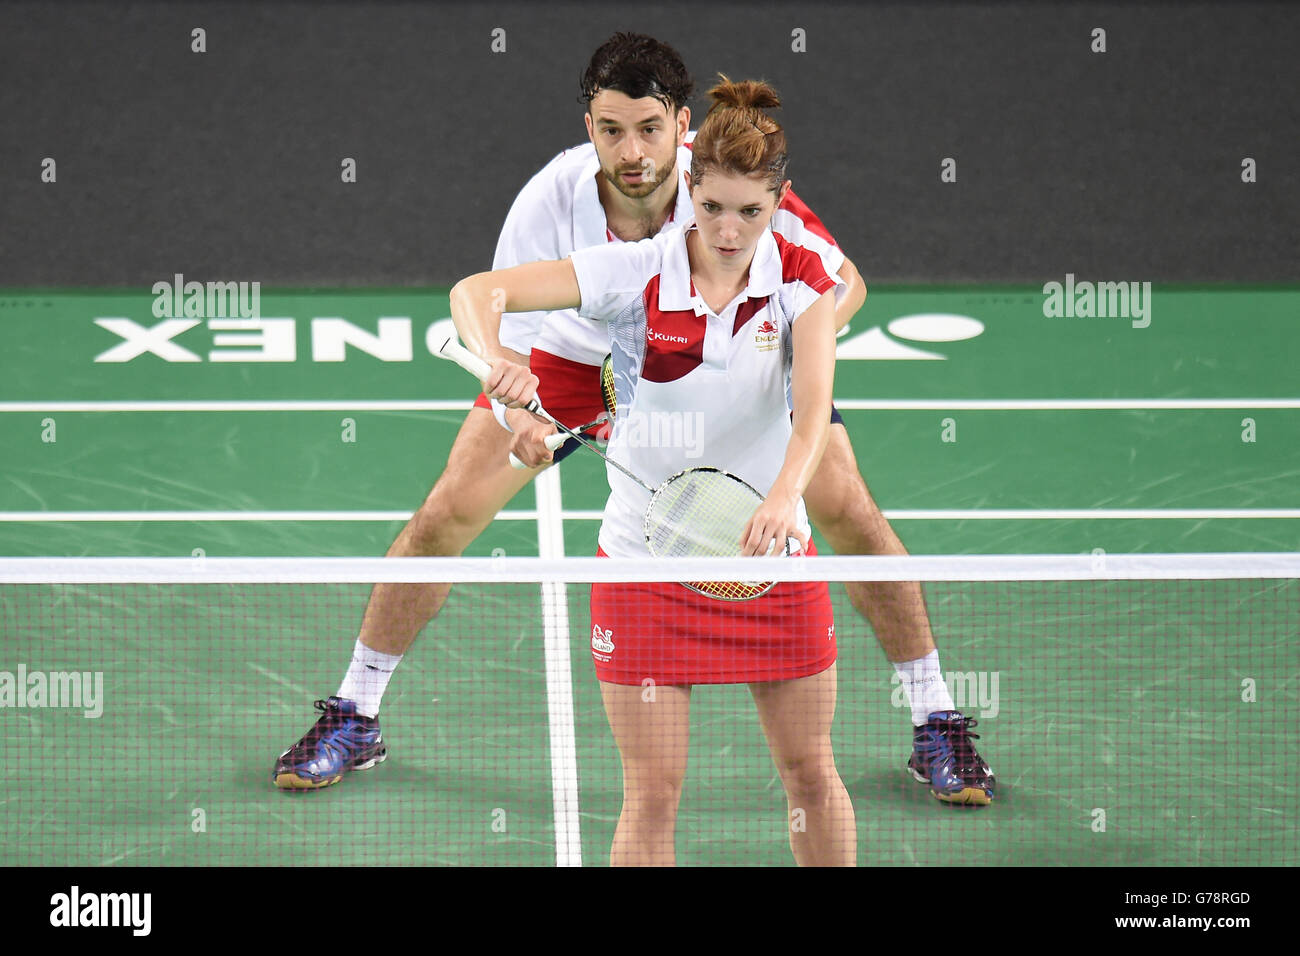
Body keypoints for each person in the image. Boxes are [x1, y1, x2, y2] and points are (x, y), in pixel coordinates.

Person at [272, 32, 993, 808]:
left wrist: (785, 346)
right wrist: (507, 389)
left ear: (682, 124)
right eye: (611, 129)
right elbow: (490, 309)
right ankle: (355, 711)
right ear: (590, 127)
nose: (632, 149)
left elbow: (842, 283)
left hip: (729, 356)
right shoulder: (552, 199)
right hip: (576, 357)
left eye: (649, 128)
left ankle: (935, 717)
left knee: (847, 506)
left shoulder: (726, 185)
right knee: (446, 512)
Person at [454, 76, 853, 865]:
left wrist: (781, 498)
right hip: (646, 565)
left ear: (779, 201)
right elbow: (479, 291)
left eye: (752, 212)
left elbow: (813, 416)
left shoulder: (803, 280)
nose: (730, 231)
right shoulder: (633, 269)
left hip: (769, 560)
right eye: (711, 209)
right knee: (654, 792)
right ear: (690, 191)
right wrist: (498, 362)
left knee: (809, 772)